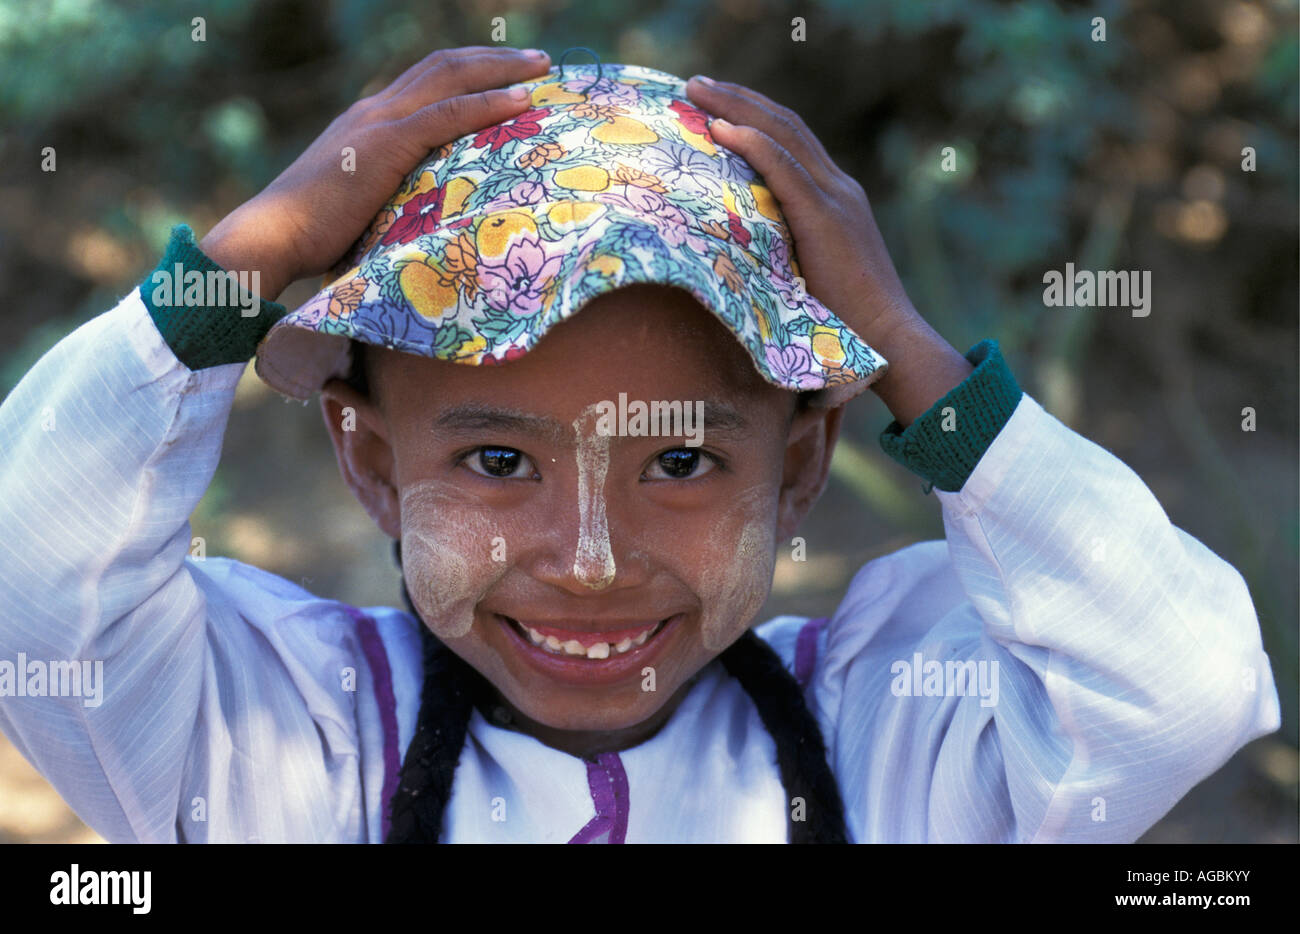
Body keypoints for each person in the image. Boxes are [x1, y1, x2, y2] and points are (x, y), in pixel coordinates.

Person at [0, 46, 1280, 843]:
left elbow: (1180, 685)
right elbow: (33, 576)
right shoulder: (279, 737)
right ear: (373, 463)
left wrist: (902, 345)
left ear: (797, 470)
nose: (591, 560)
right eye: (499, 462)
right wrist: (247, 259)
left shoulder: (904, 737)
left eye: (680, 463)